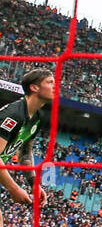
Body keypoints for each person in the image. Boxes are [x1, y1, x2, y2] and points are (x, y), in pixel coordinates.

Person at [0, 68, 56, 207]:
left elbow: (25, 153)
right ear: (34, 87)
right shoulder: (13, 114)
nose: (56, 86)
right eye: (50, 82)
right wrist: (14, 189)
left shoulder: (38, 117)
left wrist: (34, 184)